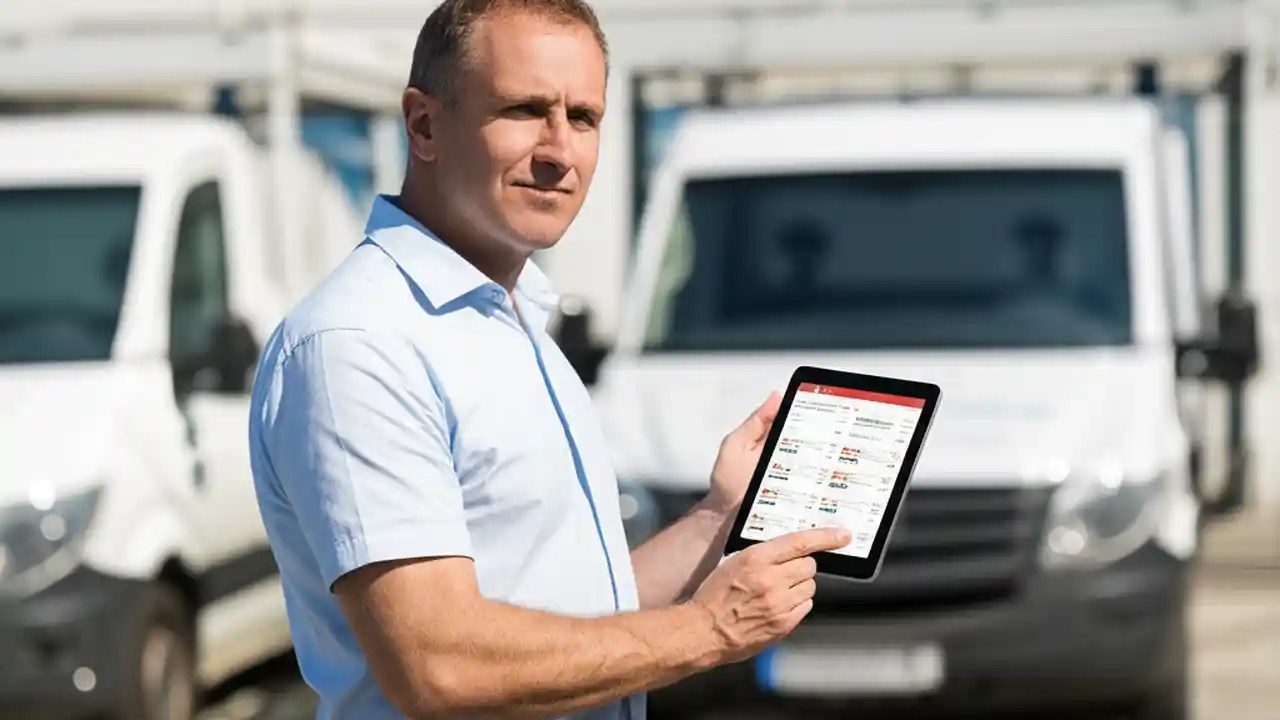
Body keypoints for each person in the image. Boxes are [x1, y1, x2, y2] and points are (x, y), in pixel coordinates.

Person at [246, 1, 852, 718]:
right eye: (526, 110)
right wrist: (708, 629)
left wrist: (719, 517)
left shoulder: (511, 320)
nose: (560, 150)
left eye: (585, 118)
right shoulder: (361, 343)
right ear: (424, 125)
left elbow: (577, 614)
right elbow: (439, 664)